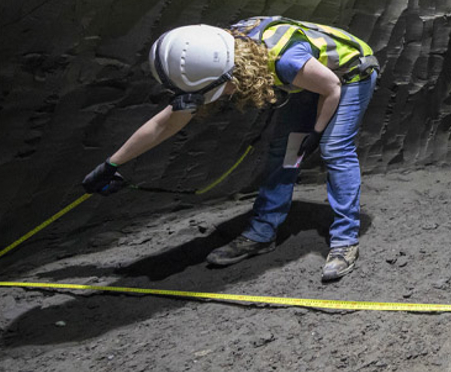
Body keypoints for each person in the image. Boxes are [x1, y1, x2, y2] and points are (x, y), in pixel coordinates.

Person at [82, 17, 379, 283]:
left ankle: (344, 240)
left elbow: (331, 87)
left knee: (334, 148)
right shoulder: (217, 52)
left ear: (232, 74)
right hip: (309, 78)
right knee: (285, 151)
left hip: (349, 73)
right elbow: (167, 122)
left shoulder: (285, 61)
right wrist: (111, 164)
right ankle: (262, 234)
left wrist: (316, 132)